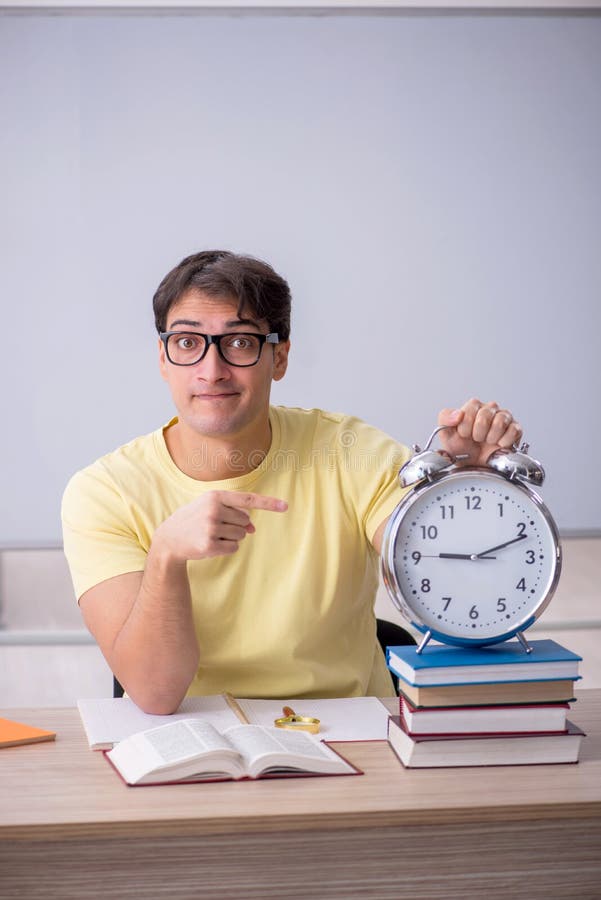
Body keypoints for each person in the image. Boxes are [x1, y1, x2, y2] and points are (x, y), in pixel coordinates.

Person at [62, 250, 523, 714]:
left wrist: (468, 485)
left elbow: (451, 578)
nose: (211, 369)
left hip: (355, 735)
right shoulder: (103, 492)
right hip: (196, 740)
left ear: (278, 357)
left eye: (239, 342)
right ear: (163, 358)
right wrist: (166, 556)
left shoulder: (353, 452)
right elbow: (155, 694)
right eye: (187, 343)